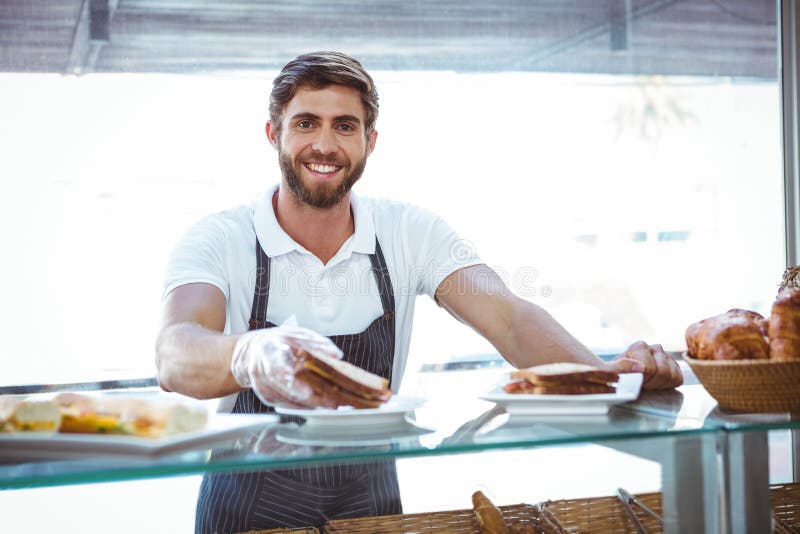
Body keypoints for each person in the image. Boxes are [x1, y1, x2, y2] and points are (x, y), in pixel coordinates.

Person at [155, 51, 683, 533]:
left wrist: (610, 380)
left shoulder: (409, 232)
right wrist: (248, 354)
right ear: (273, 133)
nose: (324, 144)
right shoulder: (220, 238)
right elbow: (175, 352)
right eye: (305, 124)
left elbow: (509, 319)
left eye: (345, 126)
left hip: (372, 501)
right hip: (247, 510)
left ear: (370, 141)